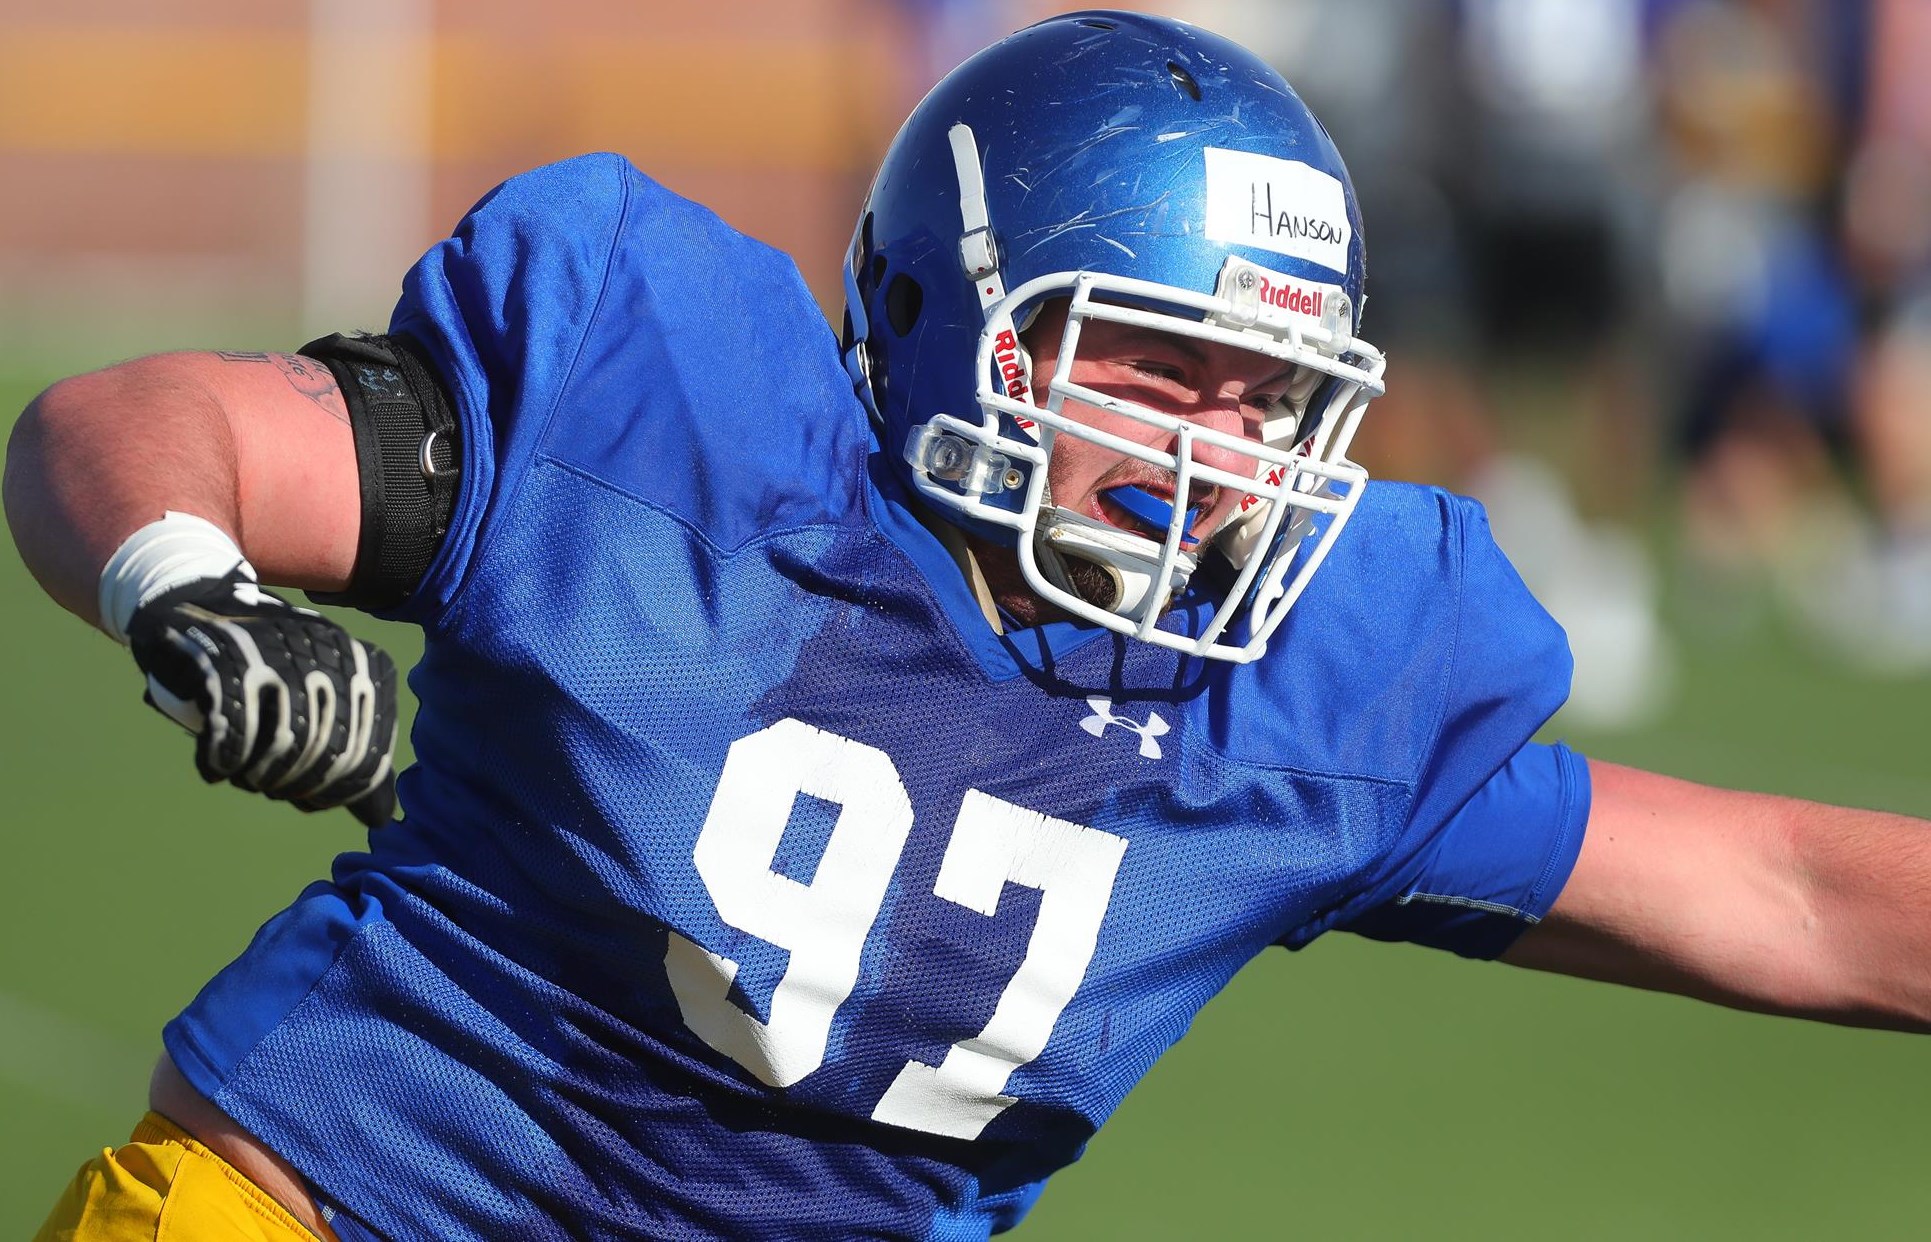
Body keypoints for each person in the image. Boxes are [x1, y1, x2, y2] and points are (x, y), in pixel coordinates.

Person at [7, 11, 1928, 1241]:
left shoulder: (1274, 701)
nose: (1222, 454)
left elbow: (1791, 892)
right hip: (332, 1202)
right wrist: (187, 586)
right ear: (960, 325)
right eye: (1162, 372)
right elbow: (123, 425)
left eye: (1268, 399)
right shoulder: (682, 443)